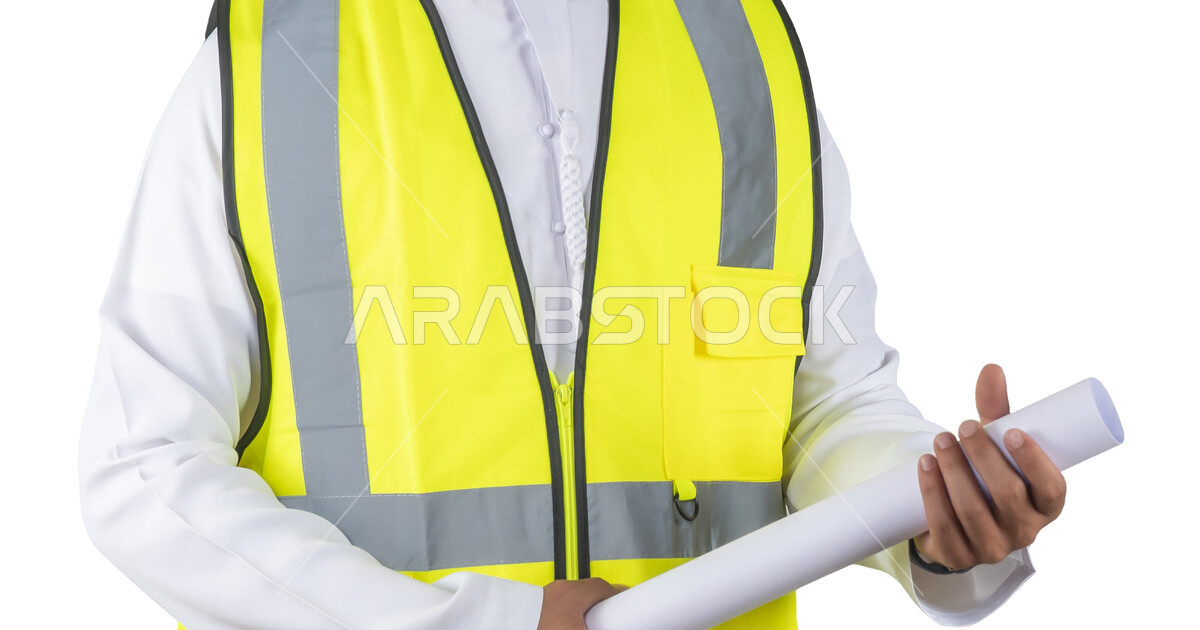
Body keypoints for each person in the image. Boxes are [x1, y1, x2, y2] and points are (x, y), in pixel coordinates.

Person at [79, 2, 1067, 629]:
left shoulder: (740, 45)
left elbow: (822, 403)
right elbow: (141, 470)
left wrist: (935, 514)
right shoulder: (271, 61)